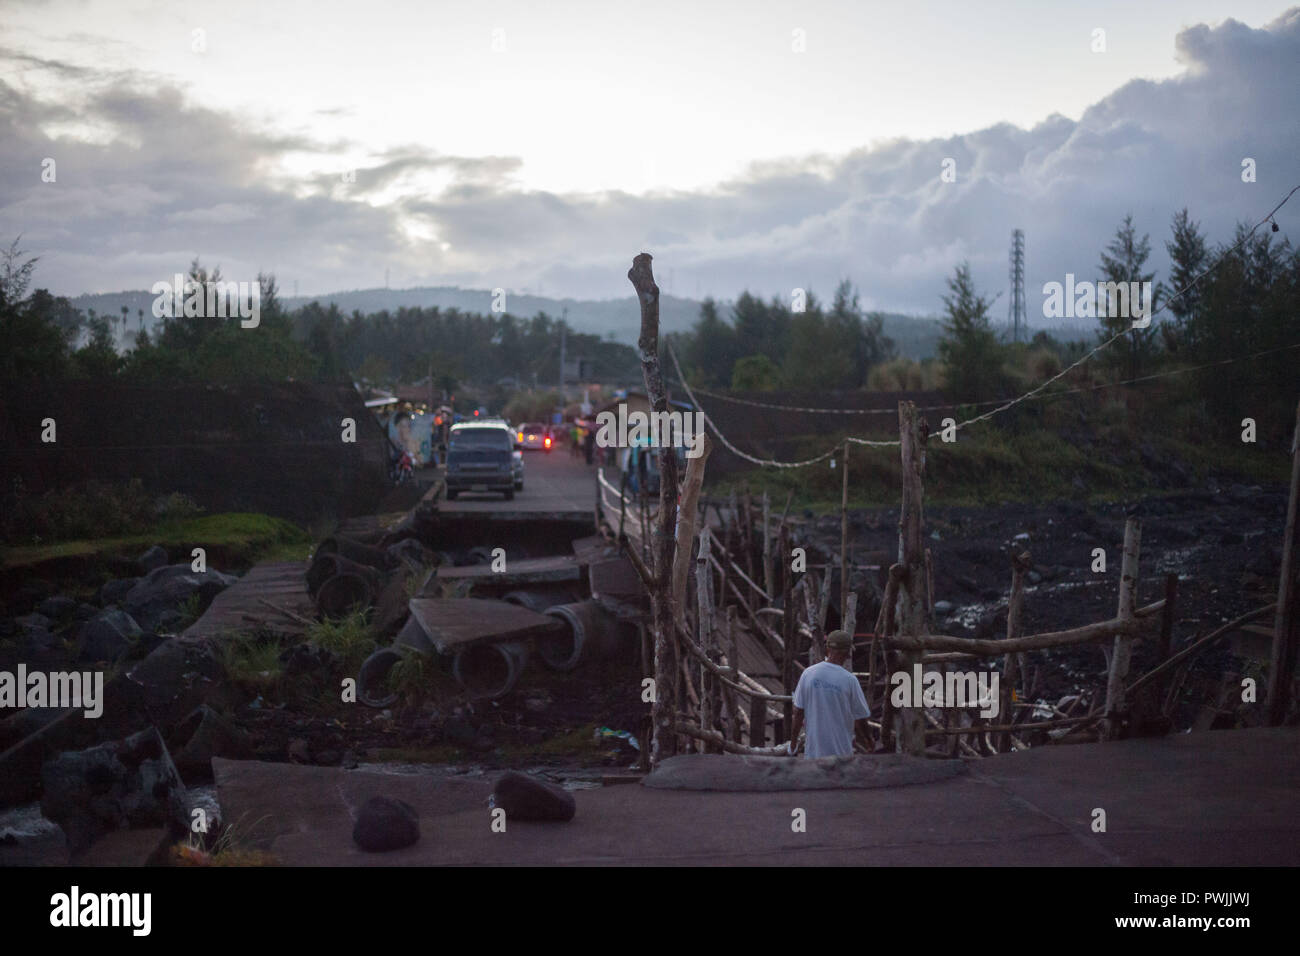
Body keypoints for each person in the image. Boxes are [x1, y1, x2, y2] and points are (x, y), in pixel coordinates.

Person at [790, 630, 870, 758]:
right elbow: (860, 719)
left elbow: (798, 712)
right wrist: (869, 741)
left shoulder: (808, 674)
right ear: (848, 654)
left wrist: (793, 743)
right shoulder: (850, 680)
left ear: (827, 649)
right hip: (841, 756)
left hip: (813, 754)